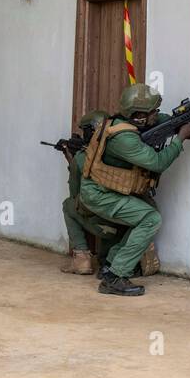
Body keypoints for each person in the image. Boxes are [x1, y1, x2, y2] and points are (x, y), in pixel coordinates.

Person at [79, 83, 190, 295]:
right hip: (99, 194)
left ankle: (112, 264)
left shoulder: (131, 122)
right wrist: (180, 138)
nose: (157, 114)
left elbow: (174, 124)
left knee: (147, 211)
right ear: (139, 116)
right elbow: (157, 162)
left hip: (112, 189)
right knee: (149, 218)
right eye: (153, 111)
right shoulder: (123, 138)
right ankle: (115, 276)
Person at [59, 110, 124, 276]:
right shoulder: (121, 151)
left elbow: (76, 195)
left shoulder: (83, 157)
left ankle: (81, 260)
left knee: (68, 205)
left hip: (106, 227)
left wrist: (73, 164)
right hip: (126, 223)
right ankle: (109, 258)